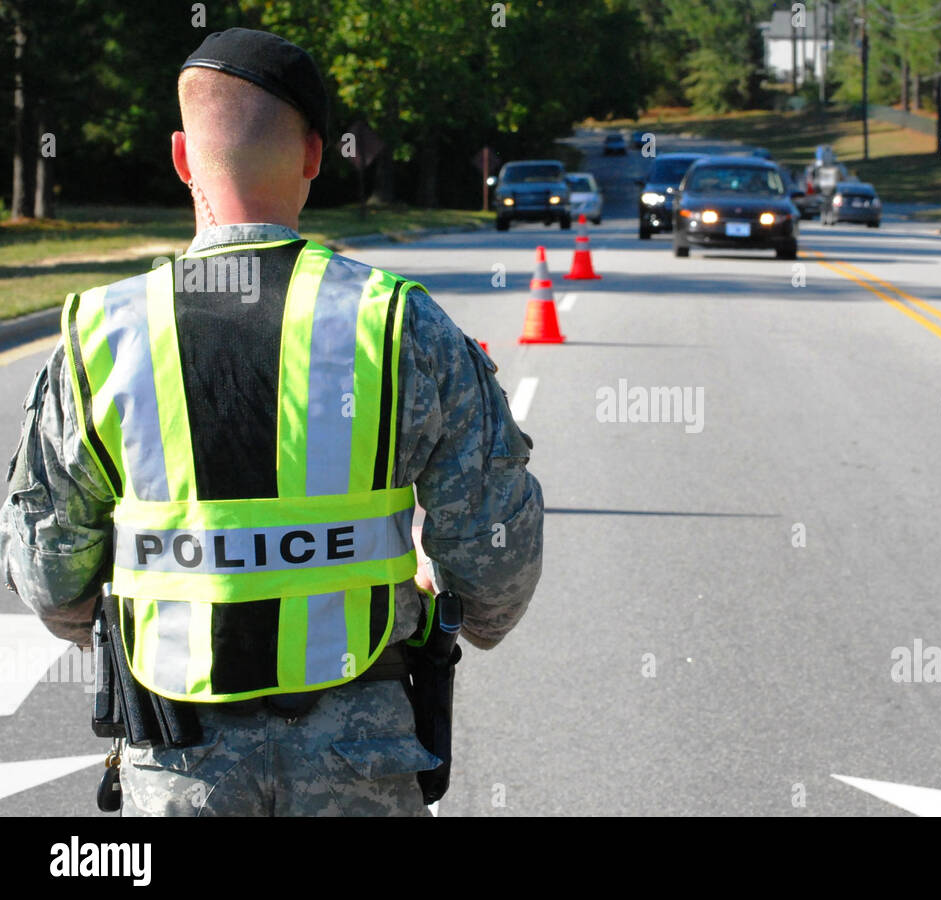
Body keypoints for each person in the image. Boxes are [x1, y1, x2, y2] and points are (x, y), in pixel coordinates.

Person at [0, 27, 543, 816]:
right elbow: (497, 557)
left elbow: (48, 573)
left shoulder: (100, 333)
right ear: (315, 156)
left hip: (181, 764)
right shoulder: (397, 325)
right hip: (362, 757)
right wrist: (462, 612)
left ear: (184, 158)